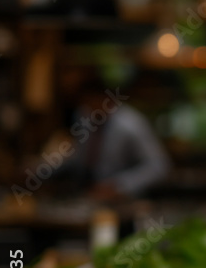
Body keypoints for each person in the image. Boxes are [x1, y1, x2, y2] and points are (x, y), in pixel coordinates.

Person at [51, 71, 170, 201]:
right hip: (86, 195)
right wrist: (44, 169)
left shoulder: (131, 124)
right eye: (85, 104)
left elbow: (158, 166)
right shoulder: (83, 117)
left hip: (124, 200)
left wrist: (120, 185)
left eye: (92, 103)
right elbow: (78, 156)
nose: (88, 108)